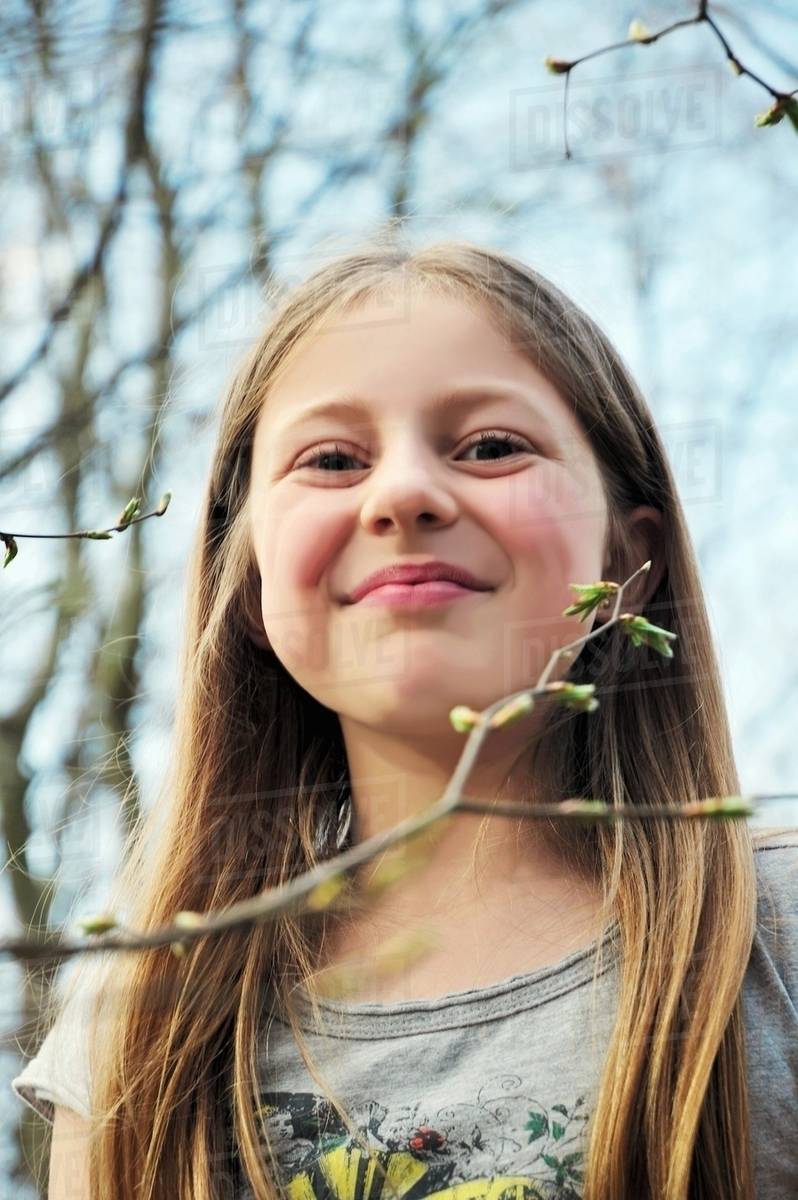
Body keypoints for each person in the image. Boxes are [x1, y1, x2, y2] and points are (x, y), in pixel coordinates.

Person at [11, 237, 797, 1200]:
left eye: (491, 447)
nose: (406, 495)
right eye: (333, 459)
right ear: (249, 587)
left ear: (629, 564)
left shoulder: (776, 934)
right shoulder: (136, 1021)